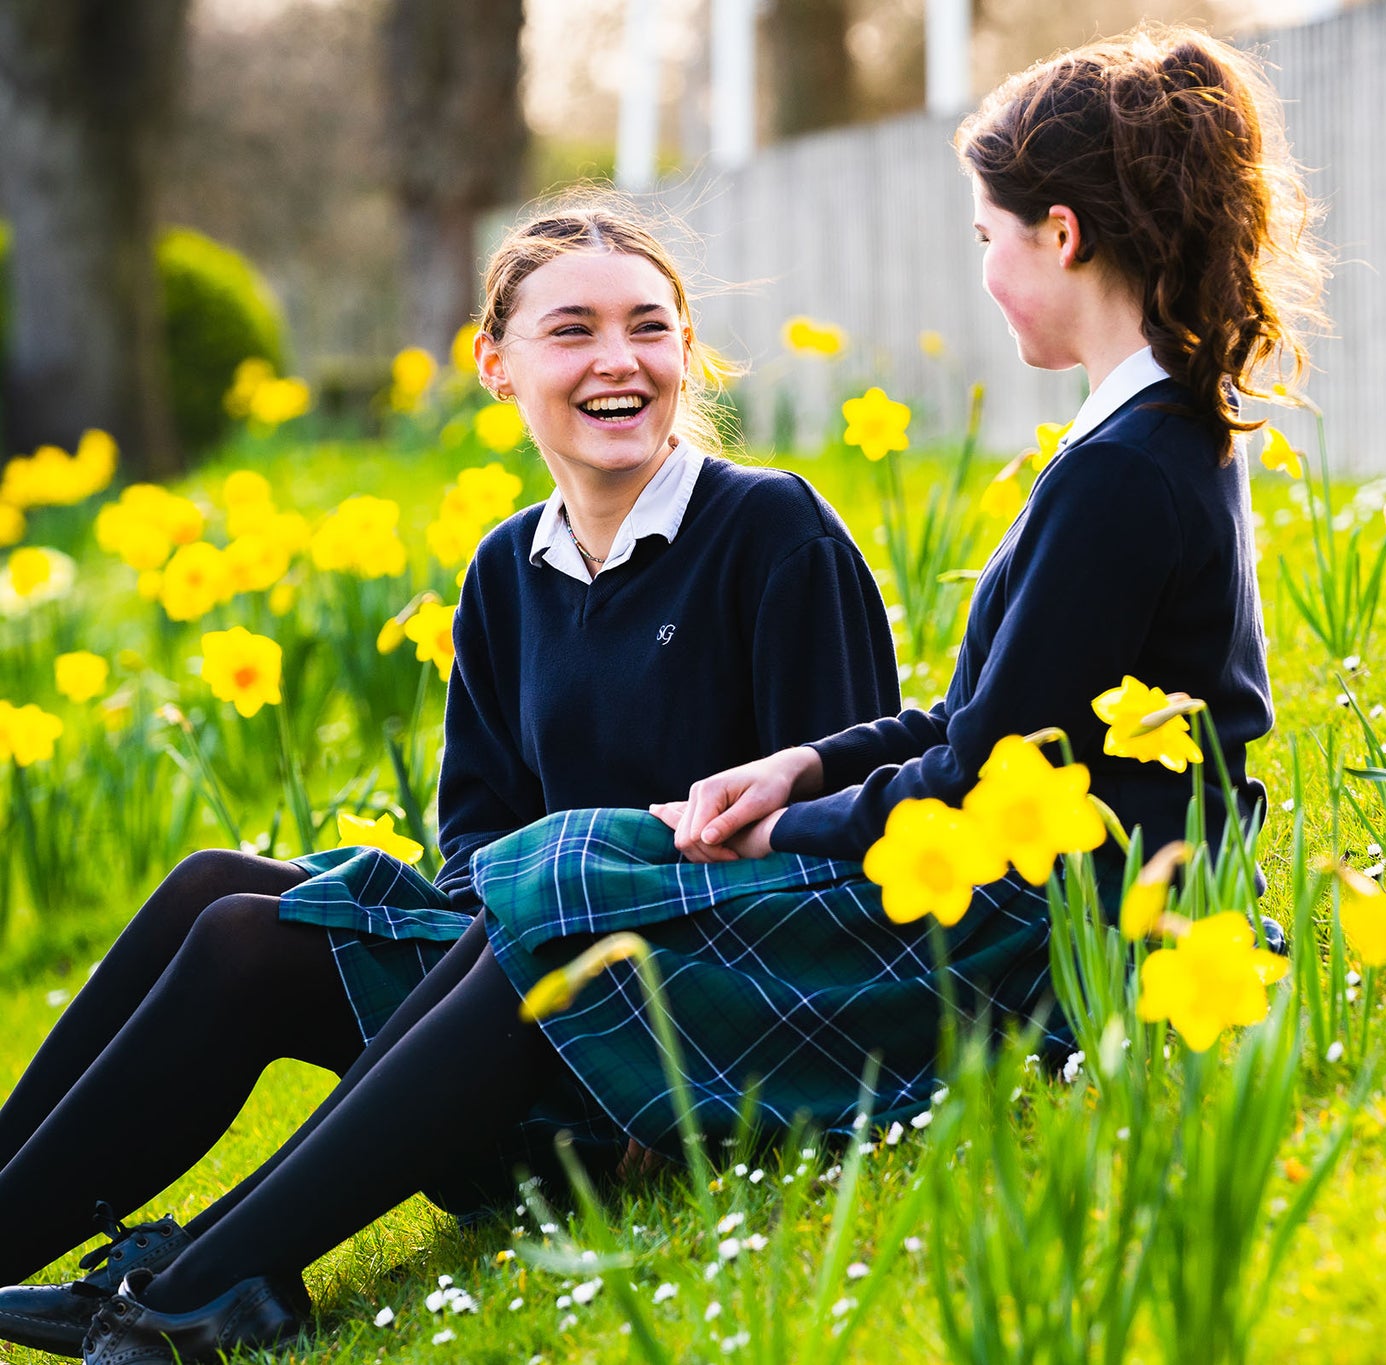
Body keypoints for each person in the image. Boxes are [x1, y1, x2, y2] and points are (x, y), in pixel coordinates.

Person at [63, 25, 1327, 1363]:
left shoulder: (1123, 470)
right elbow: (981, 728)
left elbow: (983, 779)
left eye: (986, 237)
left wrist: (784, 822)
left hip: (1043, 930)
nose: (989, 273)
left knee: (571, 879)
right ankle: (203, 1277)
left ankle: (203, 1280)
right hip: (1010, 882)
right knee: (418, 878)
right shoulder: (1128, 444)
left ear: (1060, 236)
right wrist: (803, 769)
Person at [0, 198, 898, 1360]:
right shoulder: (505, 569)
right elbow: (476, 839)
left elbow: (830, 864)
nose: (618, 362)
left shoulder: (772, 532)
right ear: (496, 364)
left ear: (687, 351)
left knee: (241, 942)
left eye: (650, 327)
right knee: (212, 884)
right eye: (571, 330)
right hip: (513, 991)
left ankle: (205, 1272)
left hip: (674, 1036)